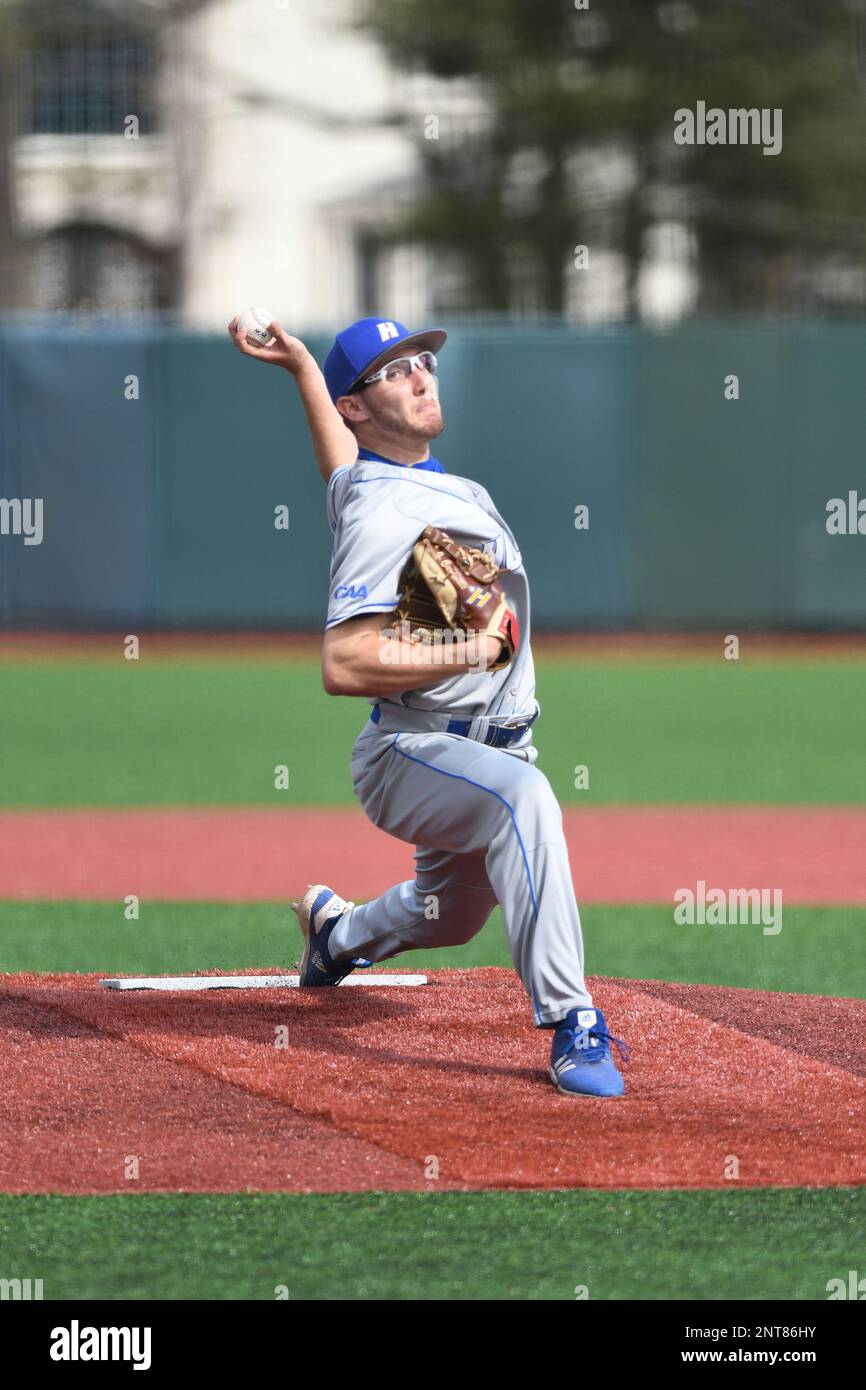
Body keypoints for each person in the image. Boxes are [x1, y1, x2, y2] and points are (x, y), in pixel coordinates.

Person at [228, 312, 629, 1097]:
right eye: (395, 371)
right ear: (361, 404)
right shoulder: (385, 509)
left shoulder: (402, 485)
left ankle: (340, 937)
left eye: (422, 361)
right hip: (413, 751)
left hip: (481, 747)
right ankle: (572, 1020)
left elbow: (343, 468)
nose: (420, 375)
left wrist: (307, 370)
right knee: (527, 802)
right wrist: (469, 649)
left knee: (449, 916)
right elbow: (342, 662)